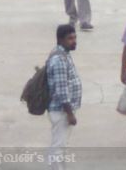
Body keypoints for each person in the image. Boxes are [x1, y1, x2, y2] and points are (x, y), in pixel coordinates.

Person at [47, 24, 81, 170]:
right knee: (58, 147)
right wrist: (70, 114)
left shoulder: (63, 53)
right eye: (70, 38)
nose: (74, 41)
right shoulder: (60, 60)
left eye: (75, 37)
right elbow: (62, 91)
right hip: (61, 111)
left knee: (61, 145)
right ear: (60, 40)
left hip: (62, 110)